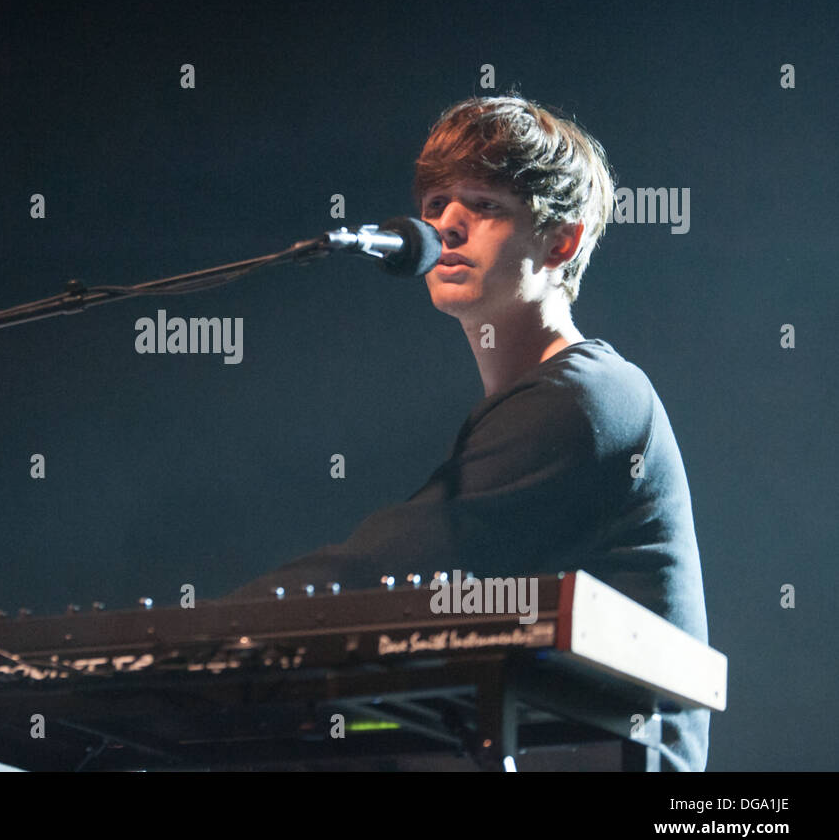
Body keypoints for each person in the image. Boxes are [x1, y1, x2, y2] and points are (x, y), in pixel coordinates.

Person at [230, 94, 711, 771]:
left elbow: (388, 567)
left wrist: (184, 643)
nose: (446, 225)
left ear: (560, 240)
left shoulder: (588, 401)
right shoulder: (538, 401)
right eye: (435, 203)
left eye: (483, 204)